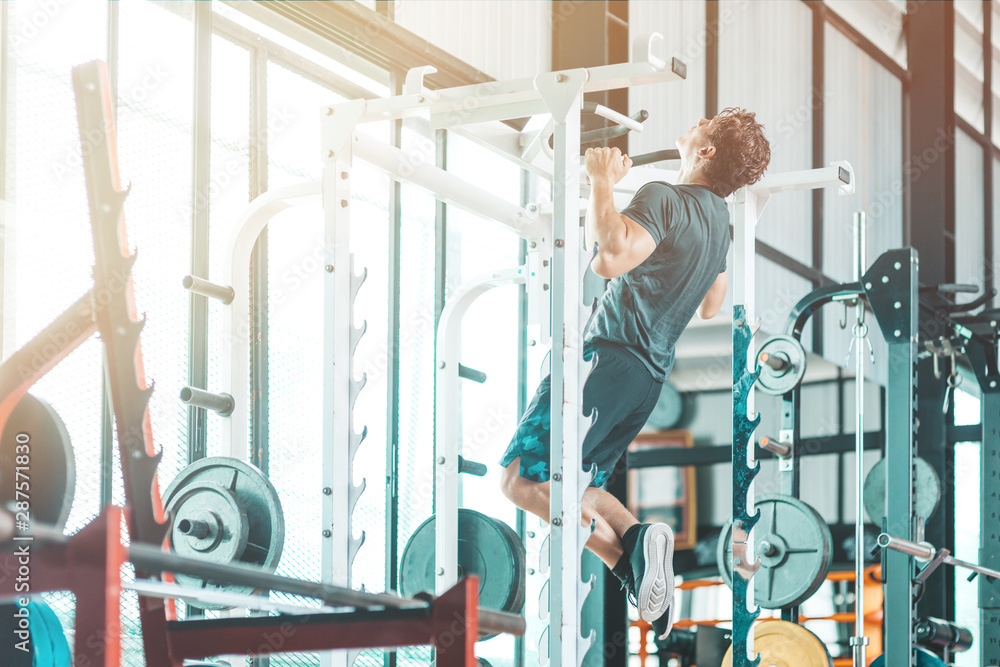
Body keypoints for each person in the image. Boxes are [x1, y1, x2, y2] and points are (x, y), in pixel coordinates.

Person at [499, 108, 771, 640]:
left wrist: (603, 180)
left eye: (704, 122)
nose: (691, 121)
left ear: (707, 150)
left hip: (607, 357)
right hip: (646, 379)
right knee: (578, 488)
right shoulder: (720, 222)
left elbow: (610, 257)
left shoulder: (665, 196)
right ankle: (632, 557)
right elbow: (712, 303)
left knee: (518, 481)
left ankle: (636, 545)